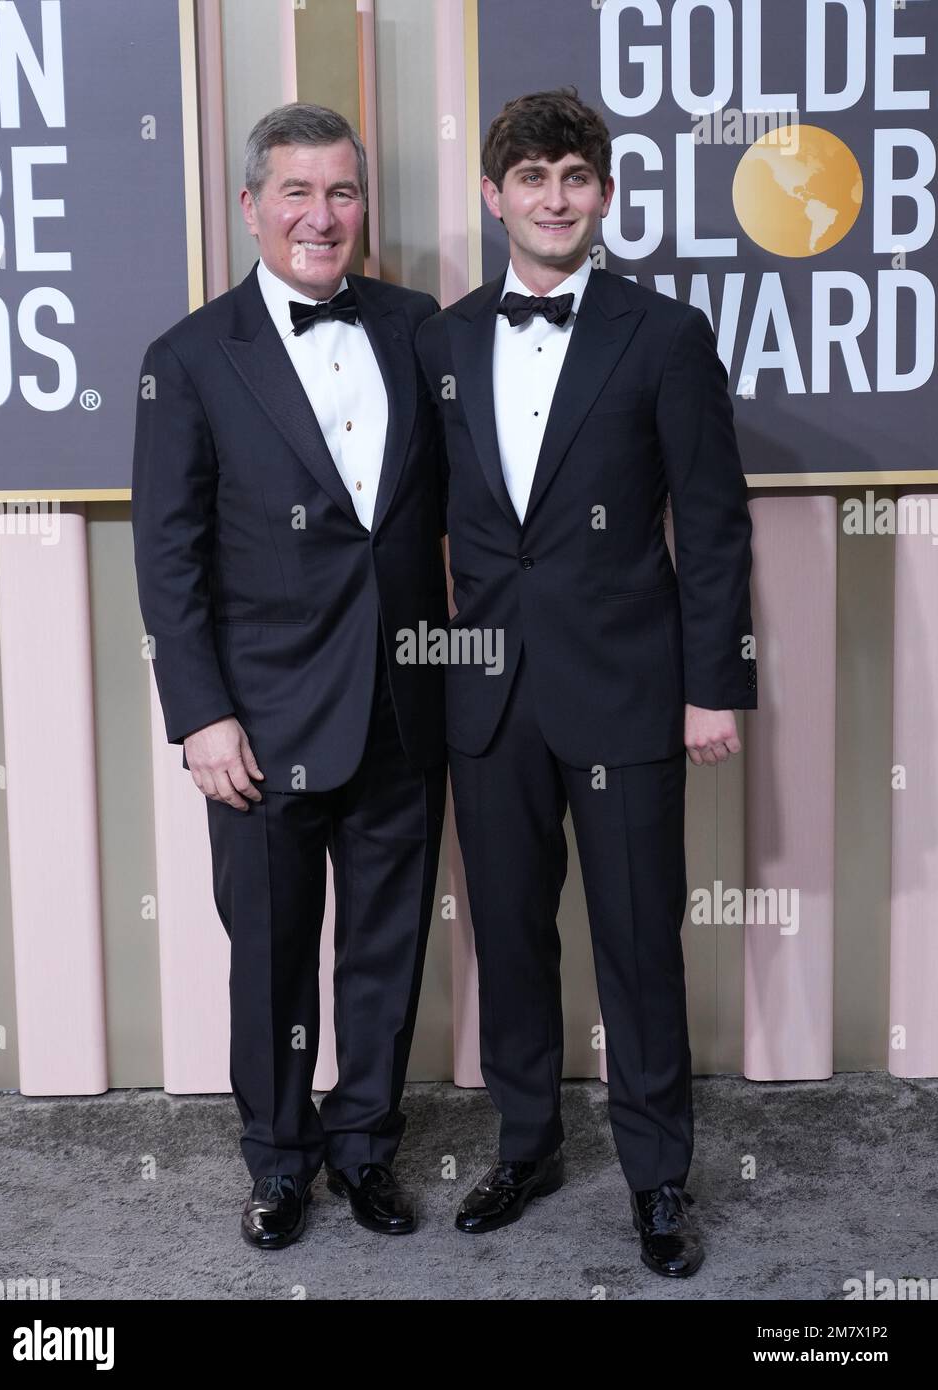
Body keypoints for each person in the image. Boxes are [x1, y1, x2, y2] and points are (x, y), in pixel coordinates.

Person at [415, 88, 757, 1277]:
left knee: (637, 943)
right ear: (496, 193)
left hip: (629, 690)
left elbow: (711, 526)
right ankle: (528, 1143)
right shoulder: (443, 339)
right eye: (532, 178)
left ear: (603, 194)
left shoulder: (661, 336)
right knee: (508, 937)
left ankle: (659, 1178)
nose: (553, 198)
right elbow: (420, 533)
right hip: (487, 696)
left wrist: (713, 686)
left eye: (574, 177)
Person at [131, 102, 447, 1249]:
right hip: (258, 720)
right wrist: (201, 716)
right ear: (253, 206)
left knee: (385, 945)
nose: (323, 217)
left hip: (406, 703)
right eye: (299, 194)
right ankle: (277, 1159)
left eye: (344, 193)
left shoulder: (420, 328)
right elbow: (167, 561)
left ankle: (365, 1146)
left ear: (364, 206)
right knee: (269, 956)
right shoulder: (190, 358)